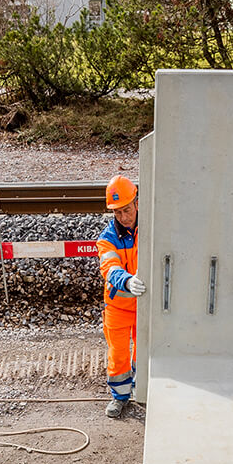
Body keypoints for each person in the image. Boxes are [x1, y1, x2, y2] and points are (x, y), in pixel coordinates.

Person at [97, 174, 145, 418]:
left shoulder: (150, 229)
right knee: (118, 354)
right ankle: (120, 397)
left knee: (143, 351)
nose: (124, 217)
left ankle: (142, 390)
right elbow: (110, 268)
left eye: (127, 210)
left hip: (144, 305)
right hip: (118, 306)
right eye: (117, 212)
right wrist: (127, 281)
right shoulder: (107, 239)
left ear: (136, 203)